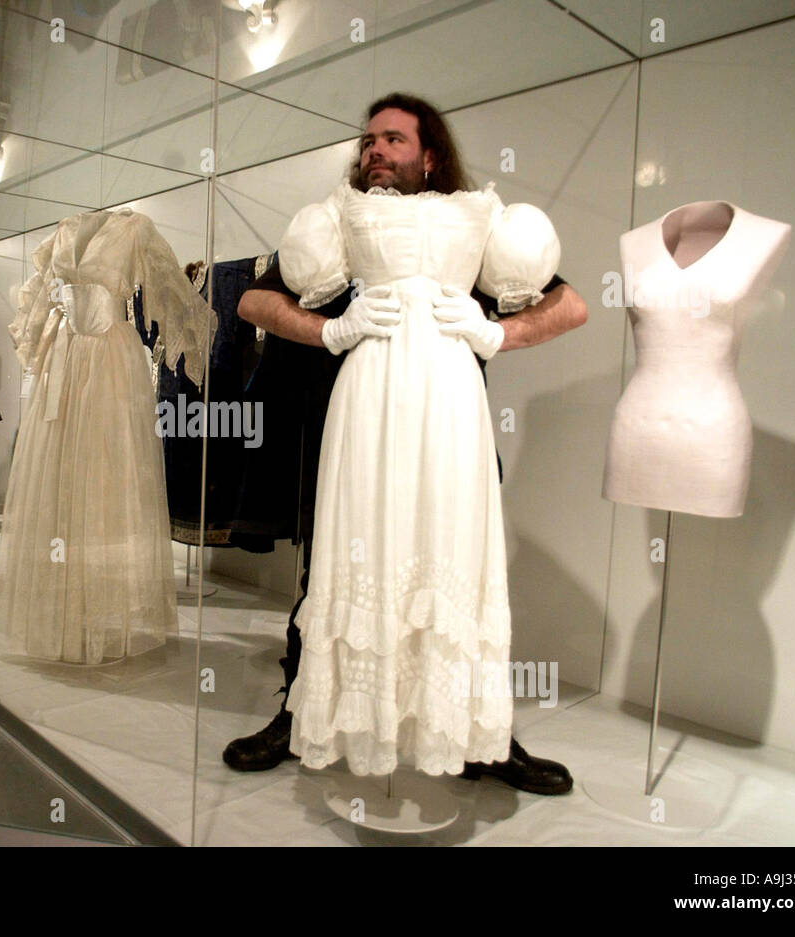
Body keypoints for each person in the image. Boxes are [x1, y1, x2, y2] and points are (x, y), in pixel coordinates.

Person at [223, 93, 587, 794]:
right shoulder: (340, 222)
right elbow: (254, 301)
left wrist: (497, 333)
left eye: (392, 140)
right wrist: (331, 327)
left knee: (457, 556)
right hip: (358, 419)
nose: (375, 153)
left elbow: (568, 303)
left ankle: (480, 732)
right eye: (368, 142)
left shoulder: (476, 224)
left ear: (431, 154)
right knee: (337, 564)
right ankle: (306, 715)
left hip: (451, 425)